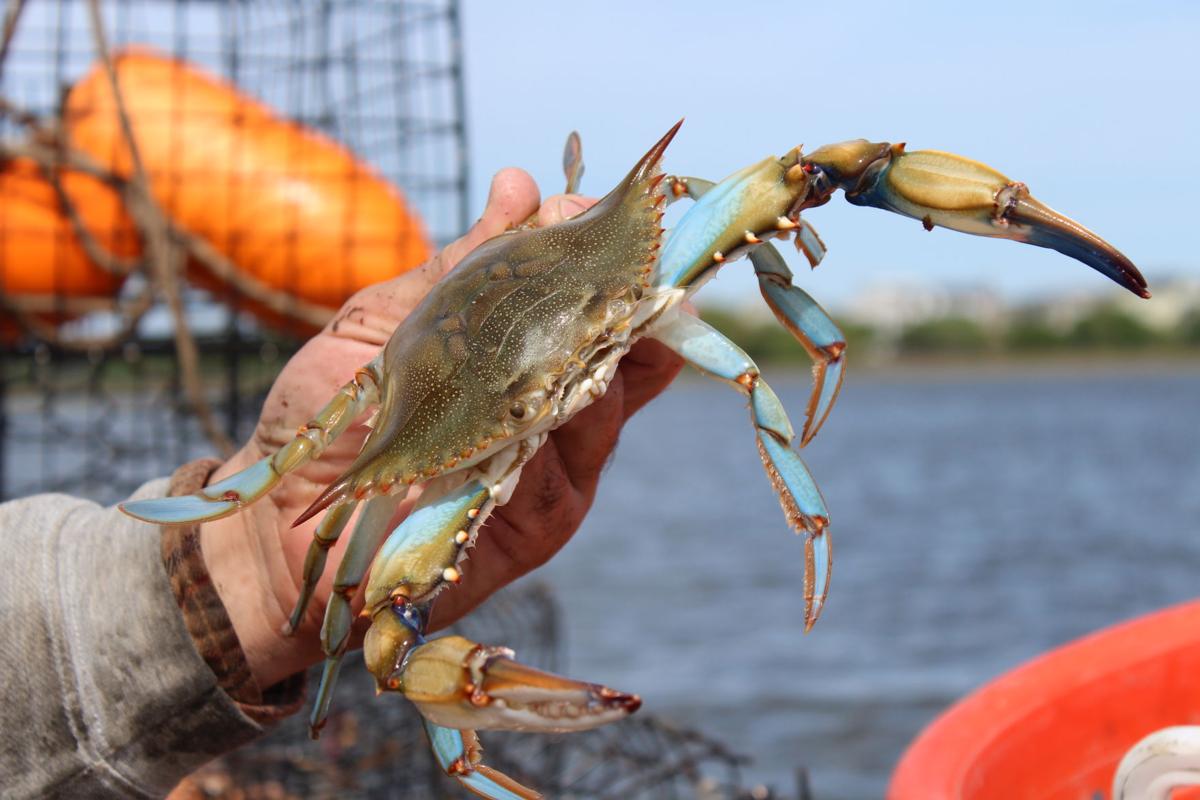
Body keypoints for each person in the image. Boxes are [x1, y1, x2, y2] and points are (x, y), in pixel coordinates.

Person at [0, 169, 683, 799]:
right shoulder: (381, 431)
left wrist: (248, 549)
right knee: (394, 639)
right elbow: (391, 650)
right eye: (520, 409)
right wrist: (261, 554)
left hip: (575, 279)